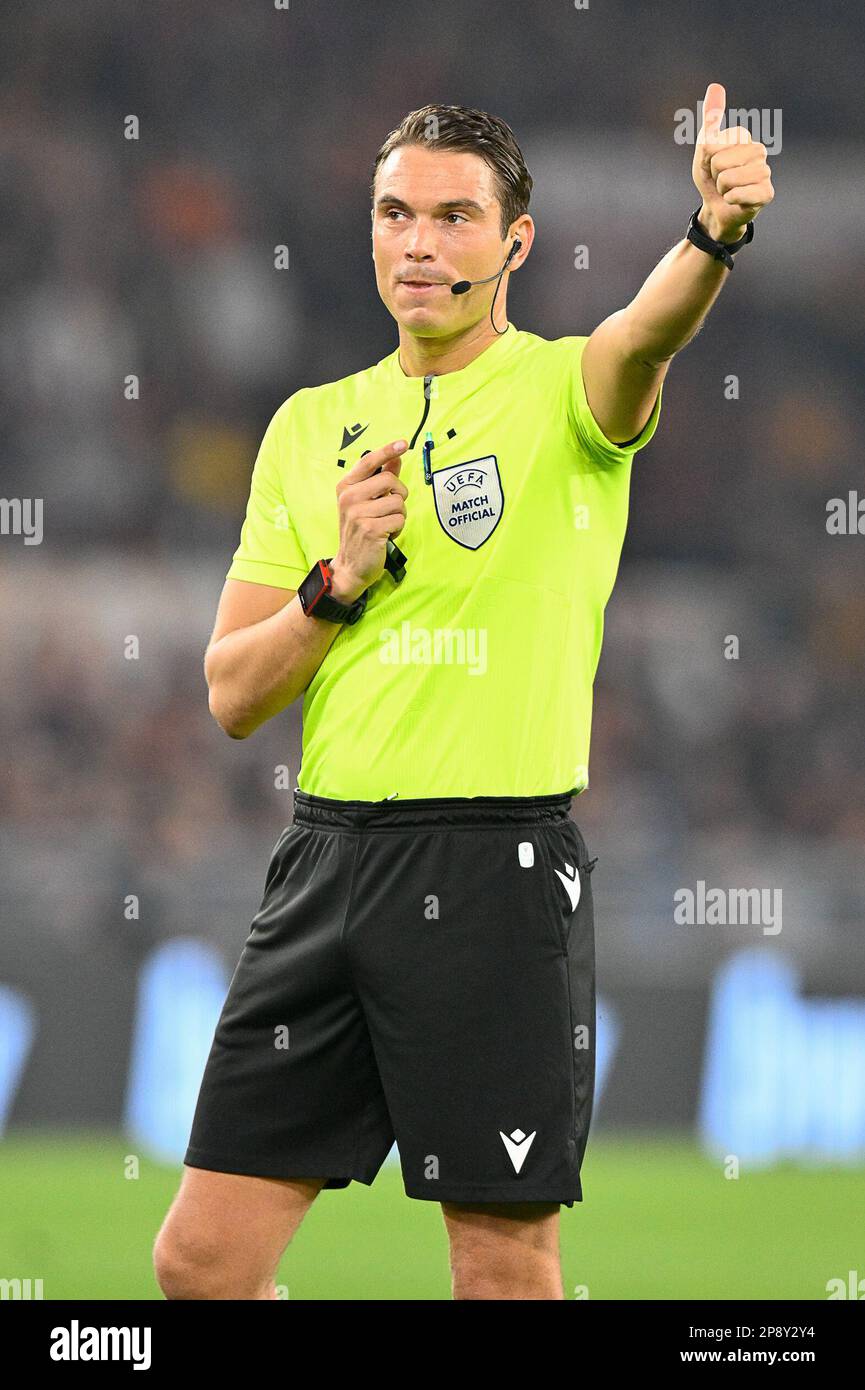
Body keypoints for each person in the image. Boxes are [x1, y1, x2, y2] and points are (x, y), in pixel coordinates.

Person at [154, 87, 773, 1300]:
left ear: (516, 241)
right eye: (395, 213)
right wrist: (336, 583)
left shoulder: (565, 393)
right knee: (199, 1266)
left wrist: (710, 238)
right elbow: (231, 692)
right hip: (324, 864)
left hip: (495, 865)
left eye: (453, 217)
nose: (419, 243)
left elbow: (645, 333)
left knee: (499, 1269)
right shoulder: (307, 427)